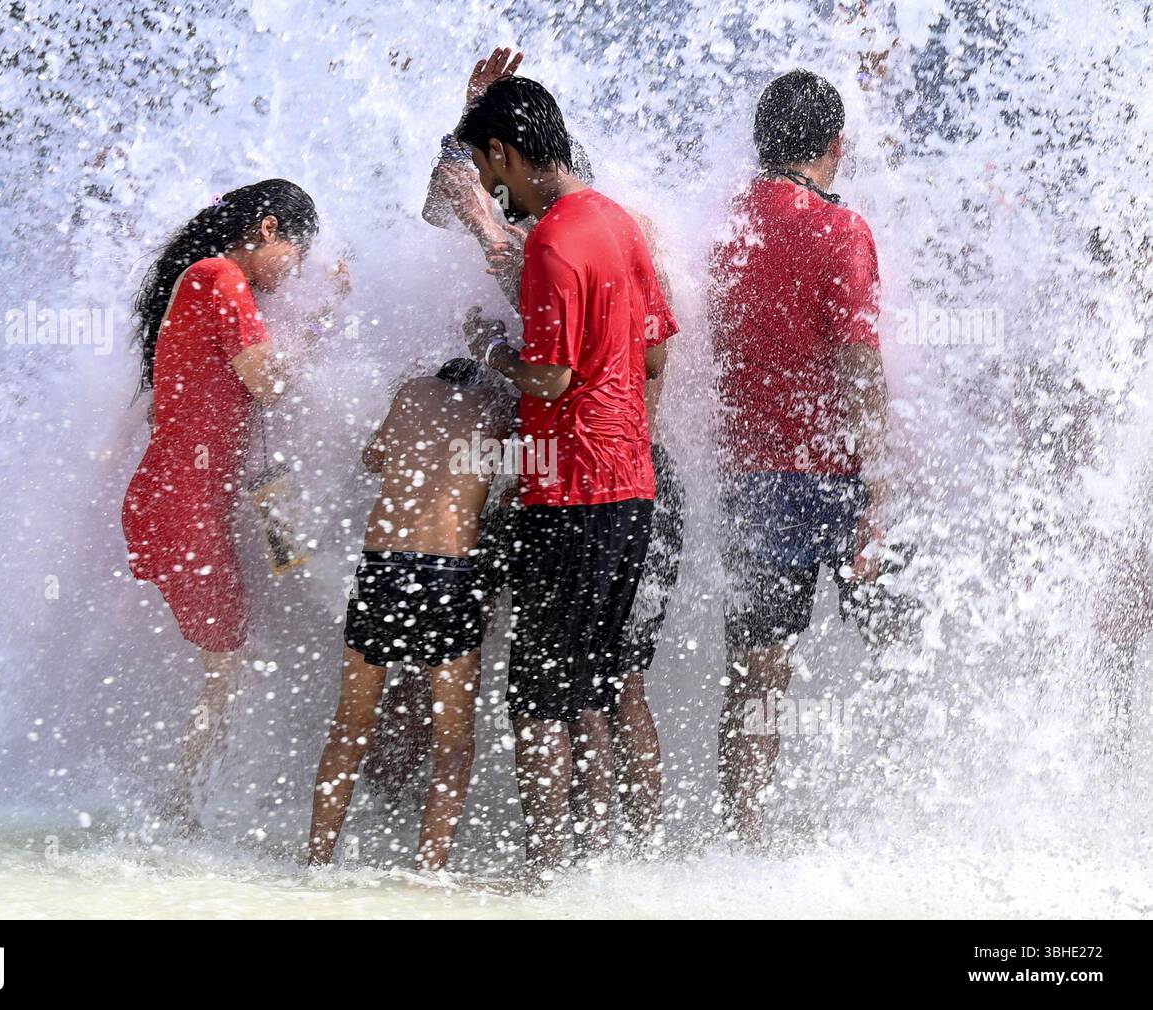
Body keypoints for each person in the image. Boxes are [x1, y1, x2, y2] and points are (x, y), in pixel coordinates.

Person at [426, 51, 682, 856]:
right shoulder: (619, 223)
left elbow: (548, 374)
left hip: (568, 494)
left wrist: (494, 352)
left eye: (487, 164)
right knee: (597, 694)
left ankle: (545, 875)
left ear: (505, 159)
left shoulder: (546, 248)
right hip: (634, 487)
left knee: (538, 700)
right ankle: (603, 867)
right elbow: (653, 359)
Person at [708, 70, 890, 845]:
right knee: (903, 625)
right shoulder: (840, 230)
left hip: (749, 476)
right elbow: (858, 364)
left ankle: (745, 826)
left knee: (757, 665)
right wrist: (879, 490)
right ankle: (922, 792)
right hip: (828, 476)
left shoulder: (723, 226)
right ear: (835, 148)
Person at [122, 179, 320, 829]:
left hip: (189, 498)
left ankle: (190, 803)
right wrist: (324, 320)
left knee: (229, 664)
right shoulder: (219, 278)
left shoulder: (204, 281)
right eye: (300, 251)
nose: (299, 272)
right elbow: (269, 384)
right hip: (185, 503)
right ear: (268, 230)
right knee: (225, 672)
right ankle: (182, 812)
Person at [308, 356, 513, 872]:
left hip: (382, 568)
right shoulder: (498, 406)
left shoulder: (412, 393)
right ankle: (428, 871)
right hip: (449, 574)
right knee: (454, 745)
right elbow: (505, 476)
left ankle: (316, 861)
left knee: (350, 727)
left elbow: (373, 456)